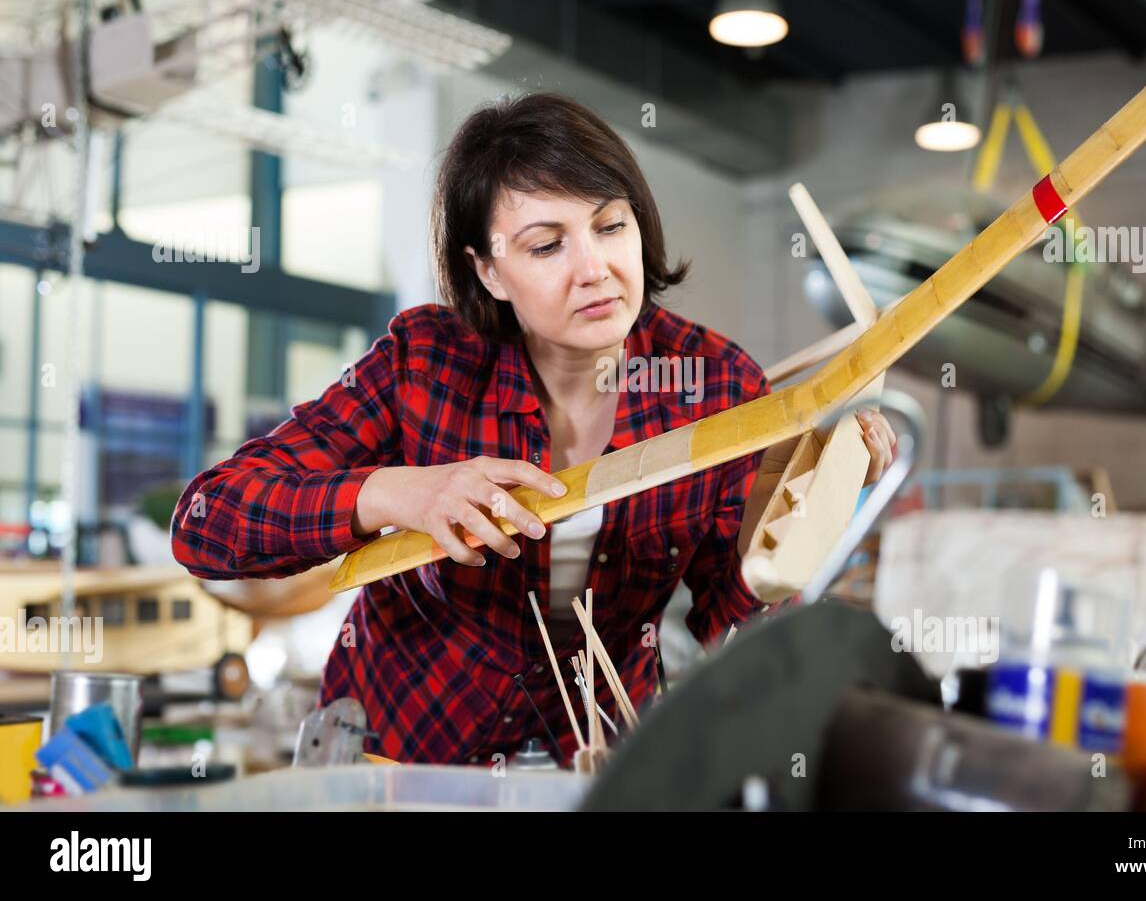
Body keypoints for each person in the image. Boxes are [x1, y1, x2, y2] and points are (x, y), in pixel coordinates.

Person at [171, 92, 896, 764]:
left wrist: (801, 524)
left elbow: (729, 632)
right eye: (548, 245)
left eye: (611, 226)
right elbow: (207, 522)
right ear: (487, 270)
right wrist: (395, 495)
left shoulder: (712, 384)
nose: (597, 270)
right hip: (398, 752)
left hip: (595, 762)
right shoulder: (424, 363)